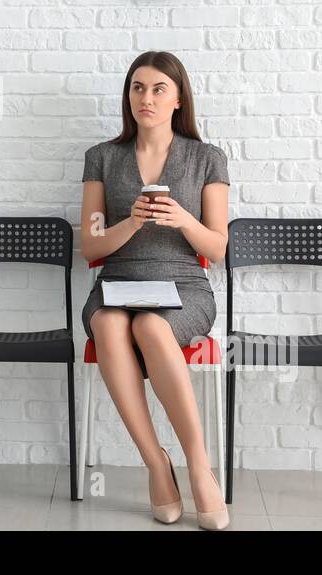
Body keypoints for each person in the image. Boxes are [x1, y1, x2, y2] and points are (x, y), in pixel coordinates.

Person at [79, 50, 230, 529]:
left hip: (184, 285)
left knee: (150, 325)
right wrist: (130, 223)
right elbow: (90, 245)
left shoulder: (207, 157)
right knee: (106, 320)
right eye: (138, 88)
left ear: (178, 98)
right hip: (119, 281)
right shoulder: (102, 157)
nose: (146, 97)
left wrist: (182, 219)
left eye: (158, 88)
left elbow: (218, 247)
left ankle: (199, 467)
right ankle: (156, 464)